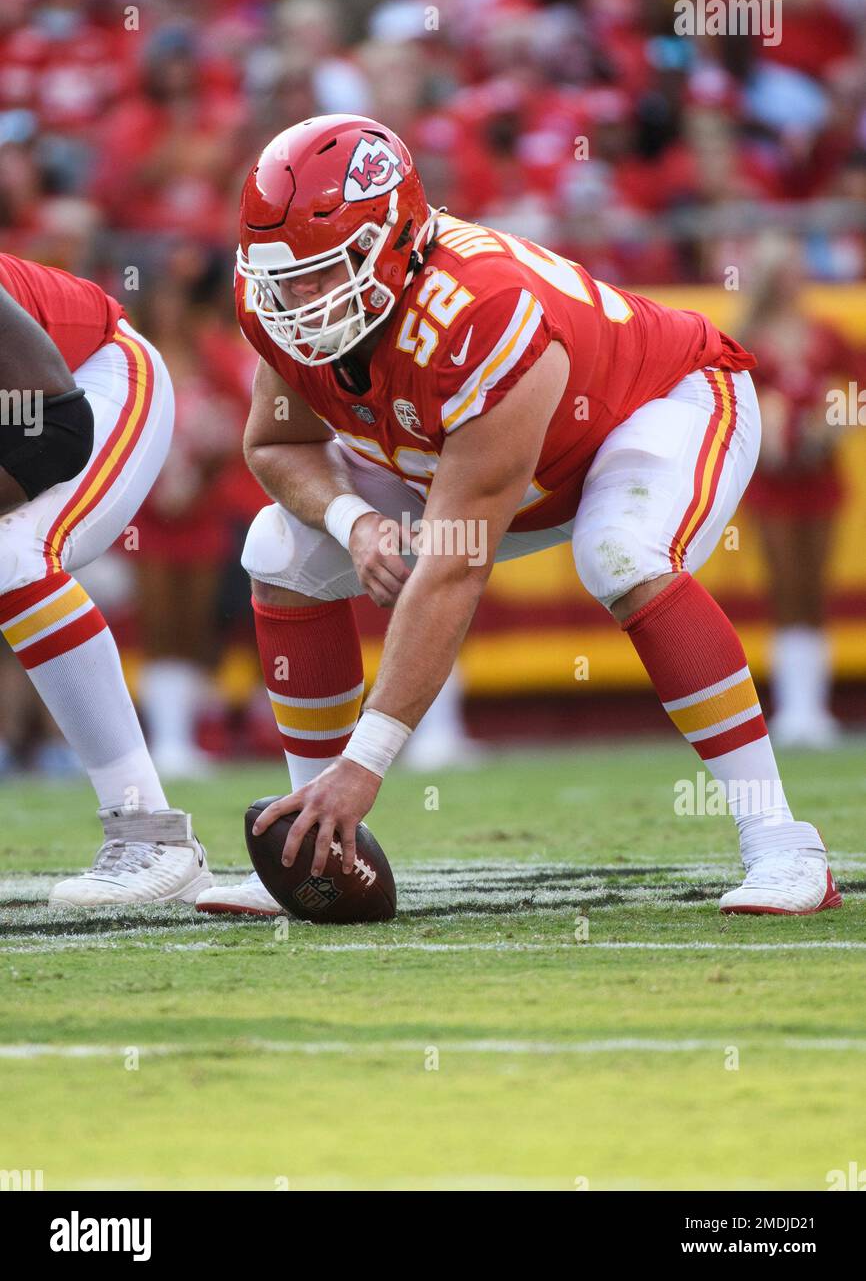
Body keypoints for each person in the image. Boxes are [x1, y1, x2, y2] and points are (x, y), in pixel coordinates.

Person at [196, 113, 840, 919]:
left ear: (395, 241)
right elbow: (275, 443)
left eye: (330, 272)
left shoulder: (481, 316)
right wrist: (354, 519)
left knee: (621, 551)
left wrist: (367, 762)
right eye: (289, 279)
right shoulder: (283, 302)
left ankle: (782, 843)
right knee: (281, 544)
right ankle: (311, 850)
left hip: (658, 402)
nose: (305, 302)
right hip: (487, 453)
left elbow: (456, 563)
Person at [0, 252, 210, 906]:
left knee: (14, 554)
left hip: (94, 382)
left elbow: (58, 427)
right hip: (30, 413)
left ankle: (152, 833)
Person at [741, 235, 866, 747]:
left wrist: (834, 422)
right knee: (783, 584)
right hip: (771, 480)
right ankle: (791, 707)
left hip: (819, 476)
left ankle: (812, 707)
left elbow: (860, 387)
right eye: (784, 269)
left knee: (814, 586)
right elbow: (732, 396)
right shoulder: (749, 336)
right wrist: (765, 426)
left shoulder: (824, 334)